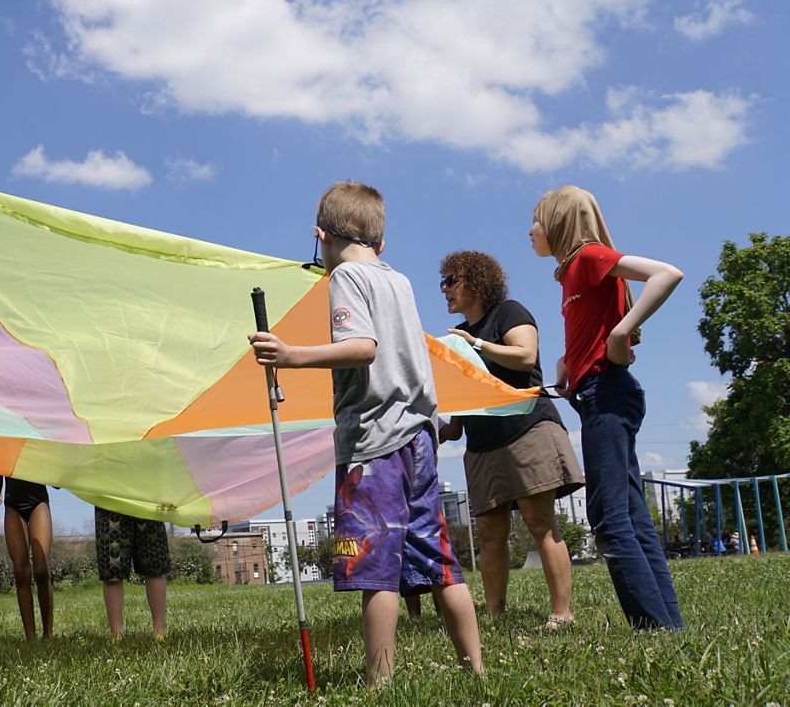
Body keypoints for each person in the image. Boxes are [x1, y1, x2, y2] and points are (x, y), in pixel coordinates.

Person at [249, 181, 482, 688]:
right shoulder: (398, 280)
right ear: (381, 240)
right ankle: (477, 672)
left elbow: (362, 347)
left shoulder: (347, 276)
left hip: (375, 443)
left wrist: (290, 355)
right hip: (420, 438)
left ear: (322, 236)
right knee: (440, 562)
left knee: (376, 570)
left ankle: (379, 684)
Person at [531, 185, 685, 630]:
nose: (530, 230)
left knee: (607, 516)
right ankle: (668, 627)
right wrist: (568, 363)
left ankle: (653, 627)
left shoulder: (588, 256)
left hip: (608, 392)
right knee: (632, 515)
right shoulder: (570, 275)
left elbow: (667, 274)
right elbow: (590, 329)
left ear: (558, 221)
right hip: (596, 392)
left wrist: (621, 333)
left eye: (535, 220)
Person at [437, 250, 583, 627]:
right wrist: (440, 428)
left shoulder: (508, 312)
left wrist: (476, 345)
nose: (444, 289)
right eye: (443, 282)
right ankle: (494, 614)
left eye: (451, 280)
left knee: (539, 521)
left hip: (526, 429)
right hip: (482, 443)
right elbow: (464, 400)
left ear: (476, 281)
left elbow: (524, 355)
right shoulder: (460, 337)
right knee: (489, 531)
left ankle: (561, 613)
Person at [0, 475, 54, 639]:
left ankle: (48, 634)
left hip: (38, 503)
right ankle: (30, 637)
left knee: (41, 570)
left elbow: (57, 483)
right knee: (20, 572)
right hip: (13, 506)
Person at [94, 506, 169, 640]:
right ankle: (116, 634)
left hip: (148, 500)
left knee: (155, 564)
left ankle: (160, 631)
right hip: (110, 500)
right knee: (112, 569)